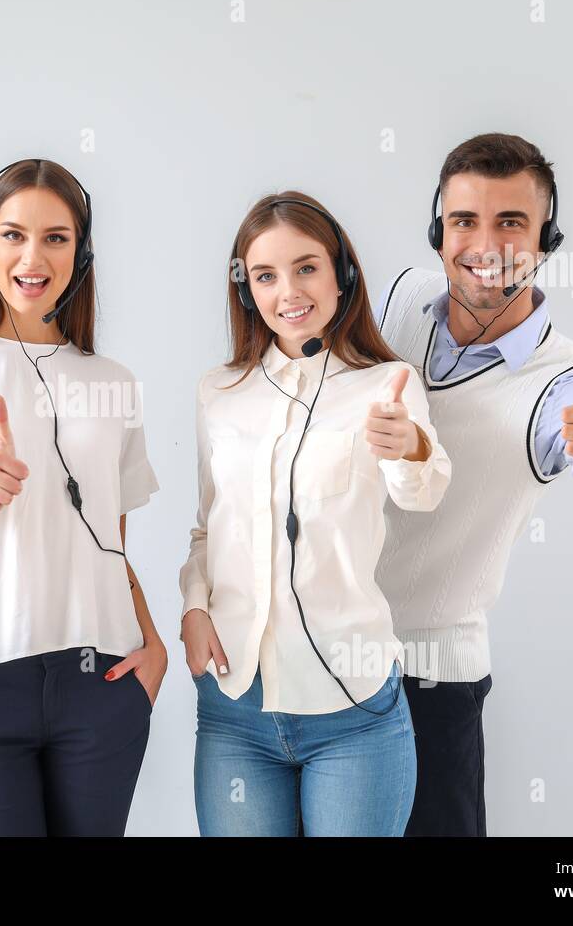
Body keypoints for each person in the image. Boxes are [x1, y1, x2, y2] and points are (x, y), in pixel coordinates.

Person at [372, 132, 573, 836]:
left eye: (512, 222)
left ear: (546, 237)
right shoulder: (400, 298)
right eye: (464, 220)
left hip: (431, 683)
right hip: (320, 657)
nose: (484, 243)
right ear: (437, 230)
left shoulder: (564, 382)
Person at [0, 158, 163, 836]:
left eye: (56, 237)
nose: (33, 256)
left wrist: (152, 648)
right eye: (13, 235)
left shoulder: (115, 383)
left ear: (83, 251)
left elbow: (111, 543)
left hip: (99, 682)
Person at [179, 192, 452, 836]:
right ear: (247, 291)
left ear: (342, 274)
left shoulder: (386, 383)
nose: (288, 291)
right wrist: (194, 605)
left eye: (306, 267)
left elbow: (424, 492)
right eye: (266, 276)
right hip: (234, 708)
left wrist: (409, 445)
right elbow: (207, 526)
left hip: (351, 709)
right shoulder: (220, 392)